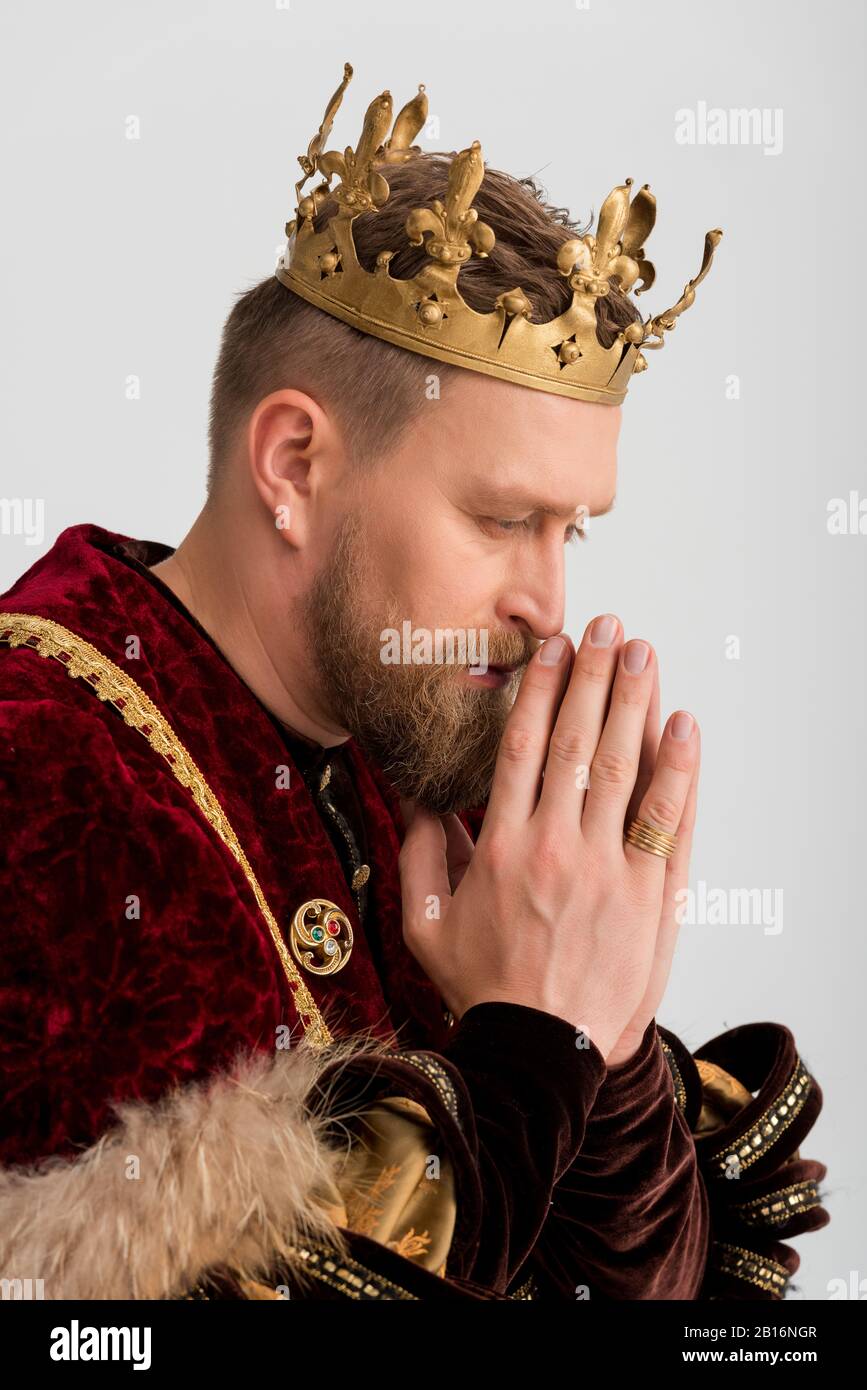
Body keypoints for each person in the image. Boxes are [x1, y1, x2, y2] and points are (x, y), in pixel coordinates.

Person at [0, 64, 828, 1301]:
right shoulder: (39, 763)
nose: (544, 603)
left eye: (573, 531)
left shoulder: (438, 768)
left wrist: (604, 1052)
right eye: (503, 519)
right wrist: (530, 1056)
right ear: (291, 463)